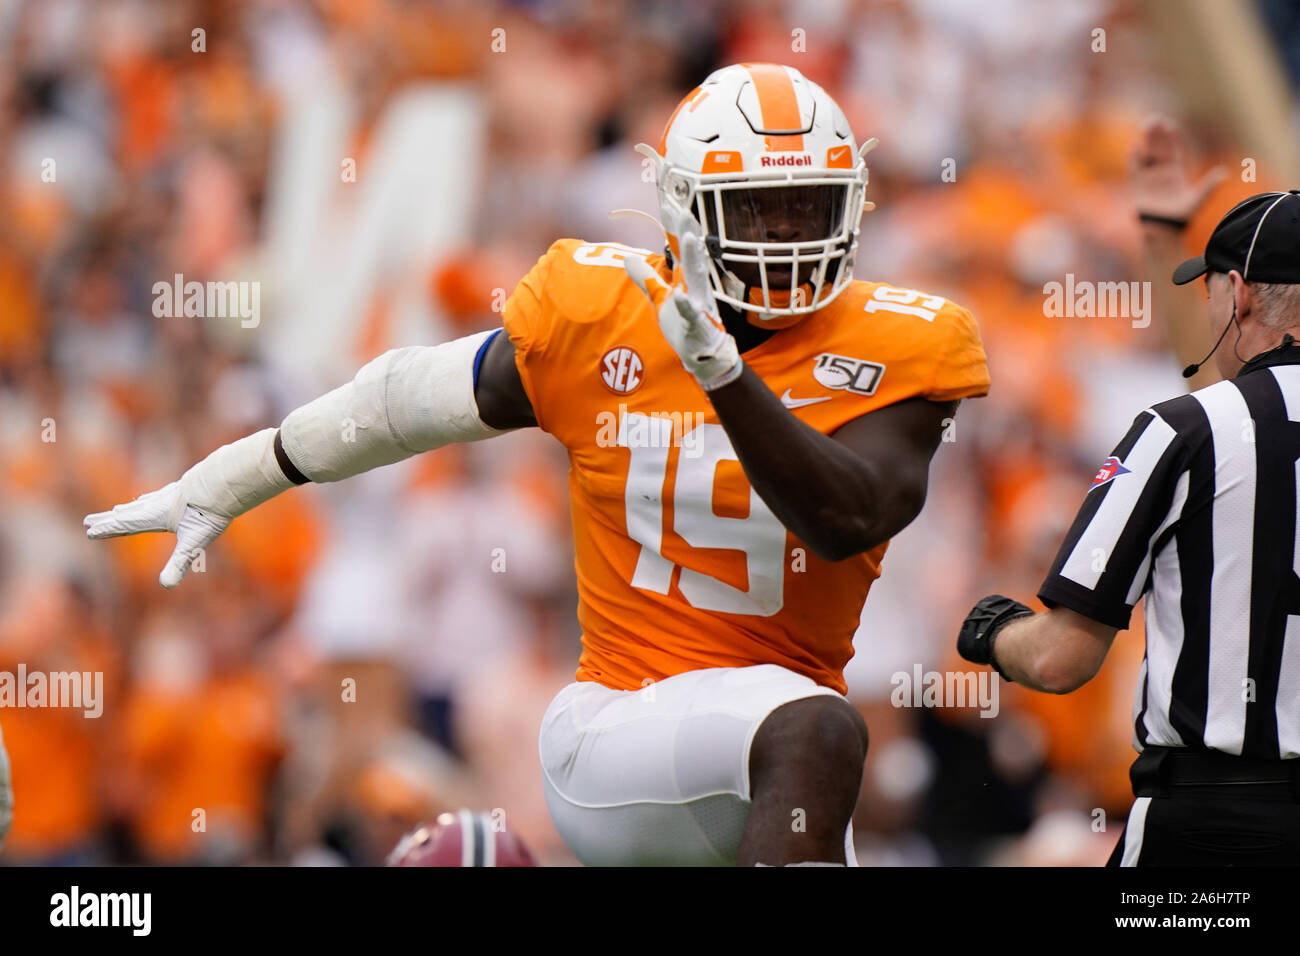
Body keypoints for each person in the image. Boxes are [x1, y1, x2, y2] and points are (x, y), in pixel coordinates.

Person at [85, 63, 990, 866]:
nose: (790, 238)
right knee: (820, 730)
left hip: (766, 761)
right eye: (759, 207)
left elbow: (849, 516)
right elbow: (398, 403)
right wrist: (230, 477)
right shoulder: (602, 312)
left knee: (814, 741)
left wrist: (724, 374)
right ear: (684, 210)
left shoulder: (907, 342)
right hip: (616, 728)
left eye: (810, 206)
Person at [956, 177, 1300, 865]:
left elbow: (1060, 660)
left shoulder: (1181, 431)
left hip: (1212, 821)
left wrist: (991, 634)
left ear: (1236, 293)